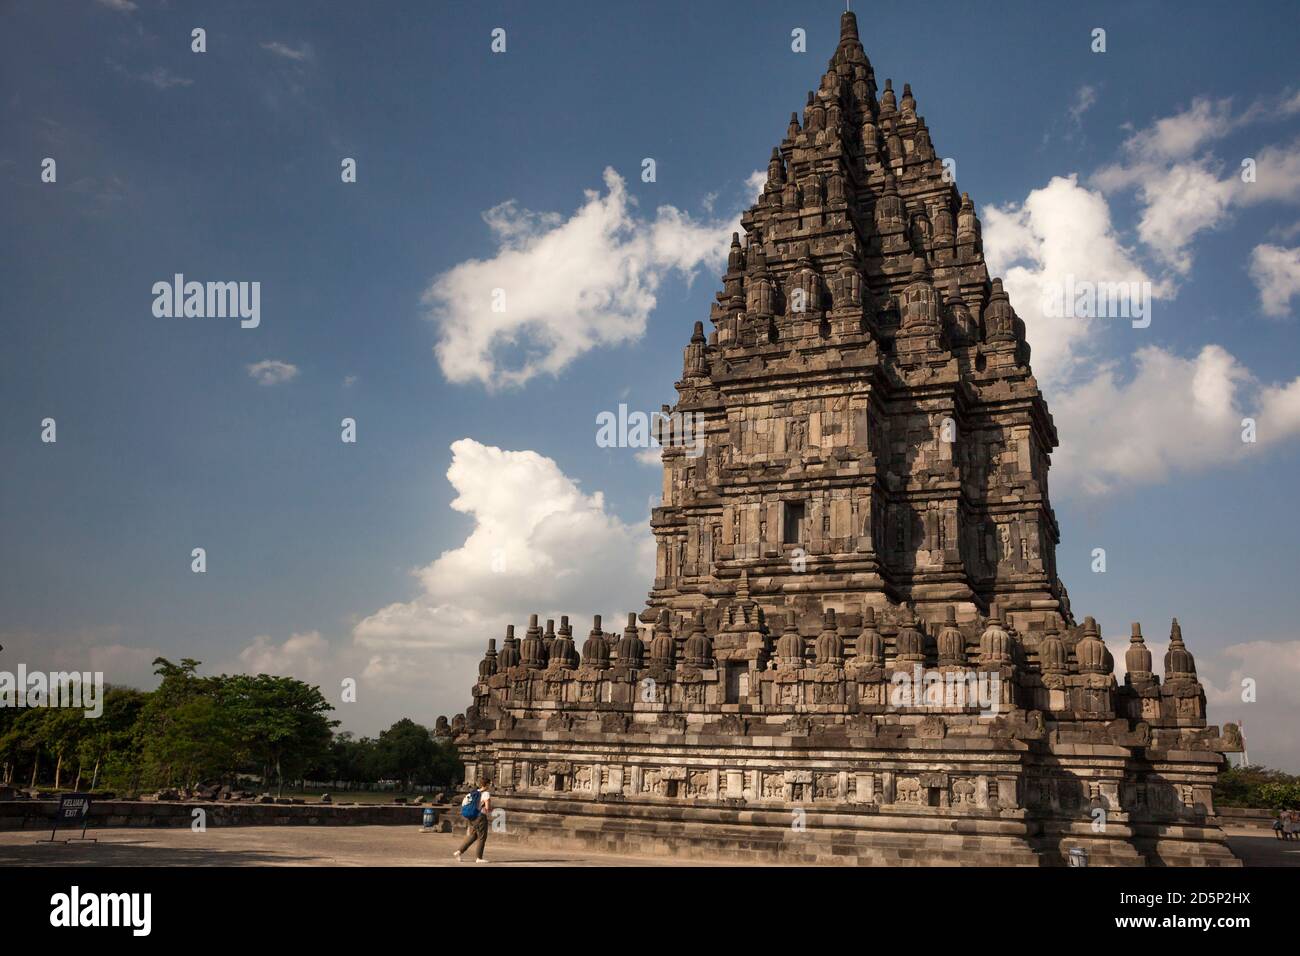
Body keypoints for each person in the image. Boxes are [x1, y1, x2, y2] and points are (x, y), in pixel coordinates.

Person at [453, 779, 491, 863]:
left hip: (472, 817)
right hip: (480, 817)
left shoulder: (472, 793)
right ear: (487, 785)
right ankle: (479, 858)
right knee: (482, 837)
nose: (490, 786)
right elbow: (487, 808)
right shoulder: (486, 793)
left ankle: (459, 852)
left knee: (473, 836)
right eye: (489, 784)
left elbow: (464, 804)